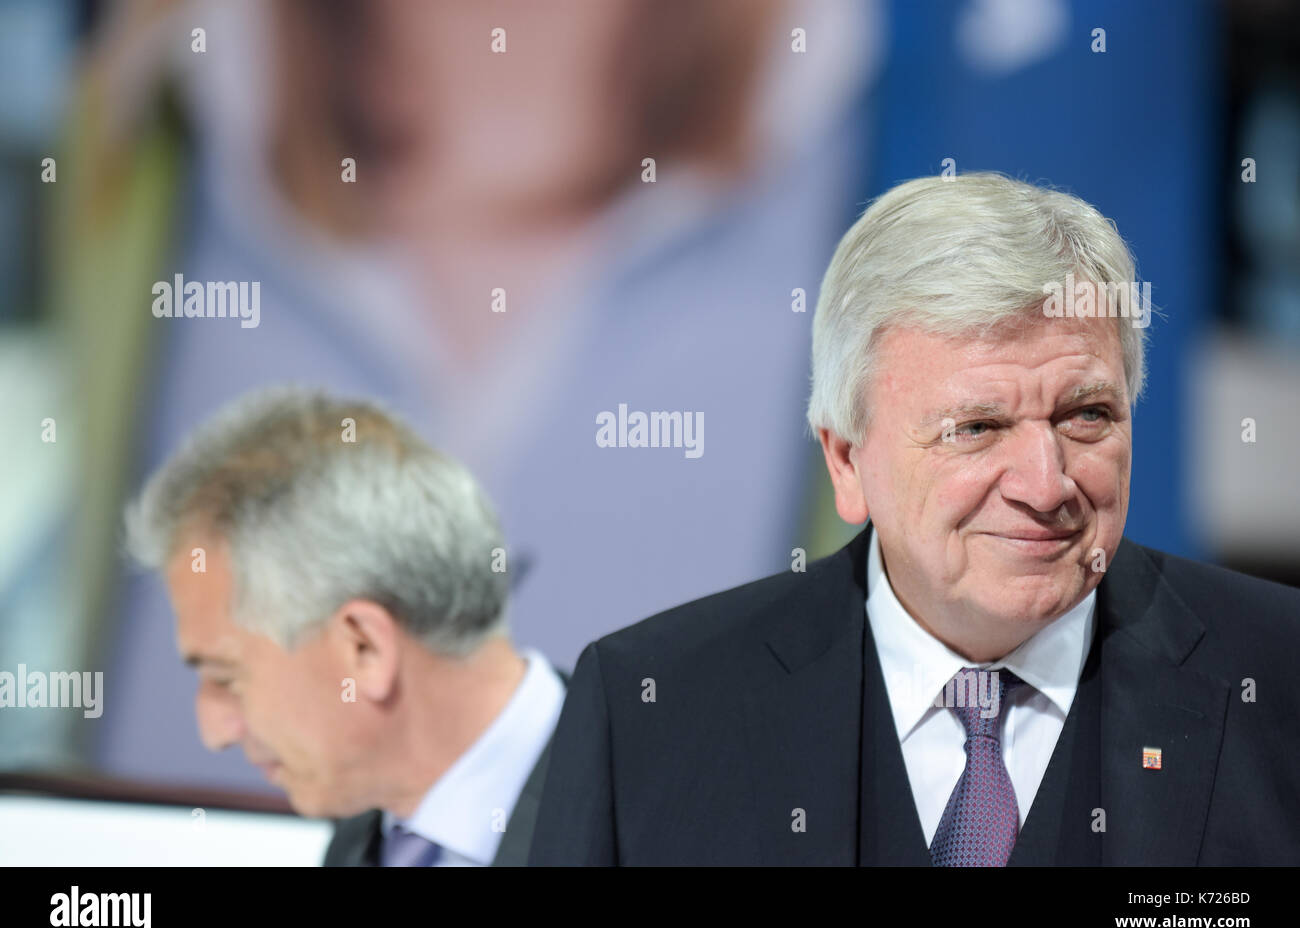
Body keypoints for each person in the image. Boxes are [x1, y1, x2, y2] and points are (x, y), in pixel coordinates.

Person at [528, 172, 1300, 866]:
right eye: (976, 428)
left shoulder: (1279, 679)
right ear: (845, 462)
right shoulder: (649, 711)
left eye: (1087, 414)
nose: (1046, 482)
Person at [124, 387, 565, 866]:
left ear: (364, 647)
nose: (214, 732)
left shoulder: (645, 819)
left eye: (226, 677)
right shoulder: (354, 837)